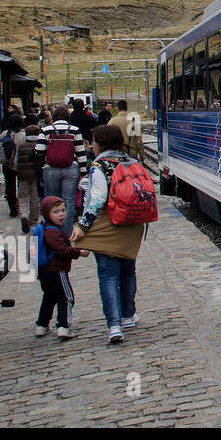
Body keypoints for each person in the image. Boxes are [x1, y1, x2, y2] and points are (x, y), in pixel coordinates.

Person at [72, 125, 144, 345]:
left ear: (101, 144)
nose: (91, 146)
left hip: (108, 223)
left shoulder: (99, 166)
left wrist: (83, 226)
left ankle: (114, 325)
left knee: (108, 275)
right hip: (133, 223)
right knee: (128, 270)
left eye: (93, 142)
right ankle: (128, 314)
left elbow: (97, 200)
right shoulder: (133, 162)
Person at [33, 195, 89, 339]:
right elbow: (62, 250)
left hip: (44, 271)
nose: (61, 214)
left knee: (49, 297)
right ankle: (64, 326)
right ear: (47, 213)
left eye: (63, 210)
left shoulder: (47, 228)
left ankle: (42, 325)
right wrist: (79, 253)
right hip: (56, 270)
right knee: (66, 297)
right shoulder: (52, 231)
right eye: (56, 212)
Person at [35, 106, 88, 239]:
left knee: (51, 199)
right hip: (71, 169)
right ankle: (66, 233)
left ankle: (52, 232)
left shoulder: (45, 130)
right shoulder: (74, 130)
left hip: (50, 169)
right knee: (68, 201)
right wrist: (83, 174)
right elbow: (81, 154)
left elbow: (39, 151)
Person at [16, 116, 43, 232]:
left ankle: (23, 215)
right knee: (35, 198)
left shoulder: (21, 146)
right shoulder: (40, 146)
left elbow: (16, 161)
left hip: (23, 175)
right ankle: (33, 220)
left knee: (23, 197)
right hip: (36, 175)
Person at [0, 114, 24, 222]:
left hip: (7, 164)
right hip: (20, 164)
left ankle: (12, 209)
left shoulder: (4, 134)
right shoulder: (23, 135)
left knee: (10, 186)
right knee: (21, 186)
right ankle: (21, 207)